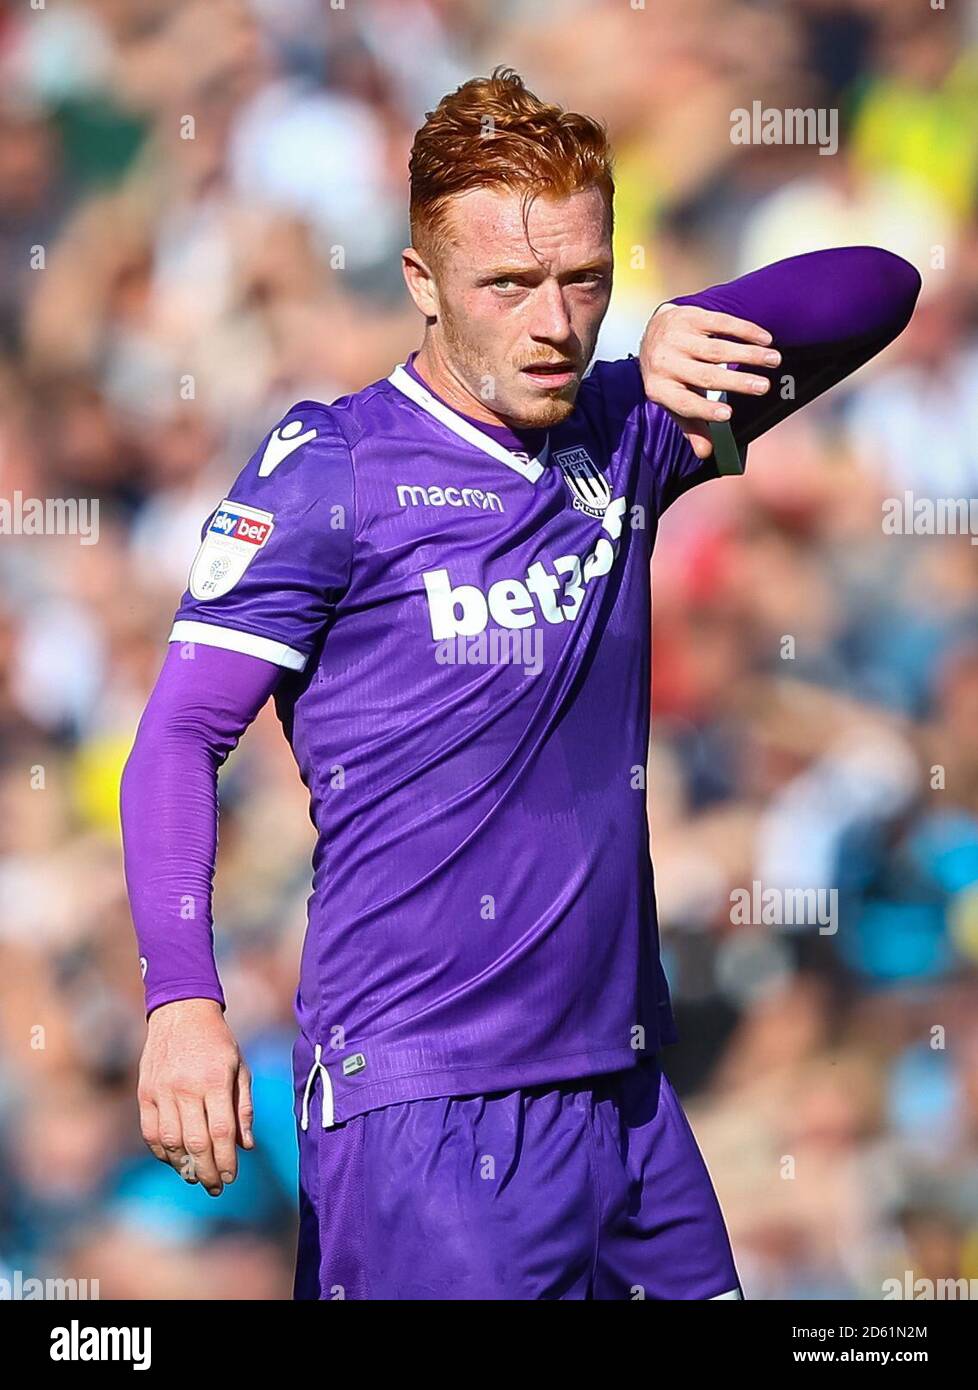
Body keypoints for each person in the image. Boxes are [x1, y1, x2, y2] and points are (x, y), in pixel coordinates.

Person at [120, 67, 920, 1300]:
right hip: (425, 1108)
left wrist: (692, 317)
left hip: (629, 1102)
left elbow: (882, 287)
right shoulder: (331, 472)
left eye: (584, 280)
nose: (554, 323)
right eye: (508, 285)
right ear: (421, 284)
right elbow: (176, 737)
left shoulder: (629, 424)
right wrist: (183, 1001)